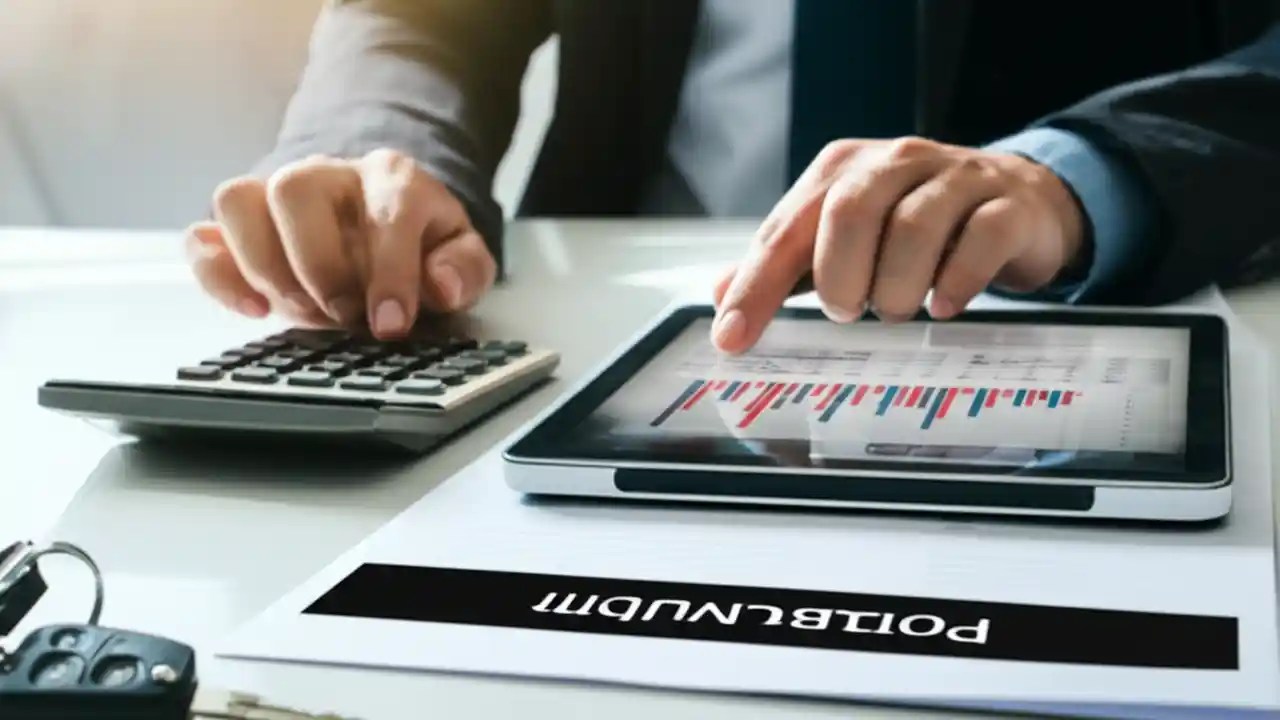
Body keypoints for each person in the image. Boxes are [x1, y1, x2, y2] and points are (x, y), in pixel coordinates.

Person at [185, 1, 1280, 354]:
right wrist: (384, 152)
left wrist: (1069, 177)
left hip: (1038, 320)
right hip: (599, 329)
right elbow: (424, 18)